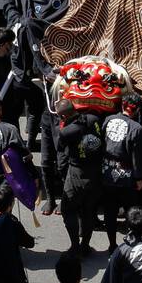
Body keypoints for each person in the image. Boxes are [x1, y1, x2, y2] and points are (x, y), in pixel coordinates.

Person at [100, 95, 142, 253]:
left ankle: (112, 244)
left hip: (107, 172)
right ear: (136, 110)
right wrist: (139, 177)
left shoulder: (107, 120)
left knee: (110, 211)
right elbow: (138, 157)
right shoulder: (137, 129)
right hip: (127, 177)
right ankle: (131, 242)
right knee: (131, 211)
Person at [58, 104, 105, 257]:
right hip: (96, 173)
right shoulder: (95, 119)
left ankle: (75, 245)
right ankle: (85, 245)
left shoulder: (67, 132)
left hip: (76, 174)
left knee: (68, 209)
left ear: (64, 117)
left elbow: (61, 153)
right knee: (89, 211)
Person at [37, 97, 71, 216]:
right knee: (45, 161)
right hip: (49, 112)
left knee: (63, 162)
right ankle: (50, 199)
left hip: (65, 113)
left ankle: (64, 199)